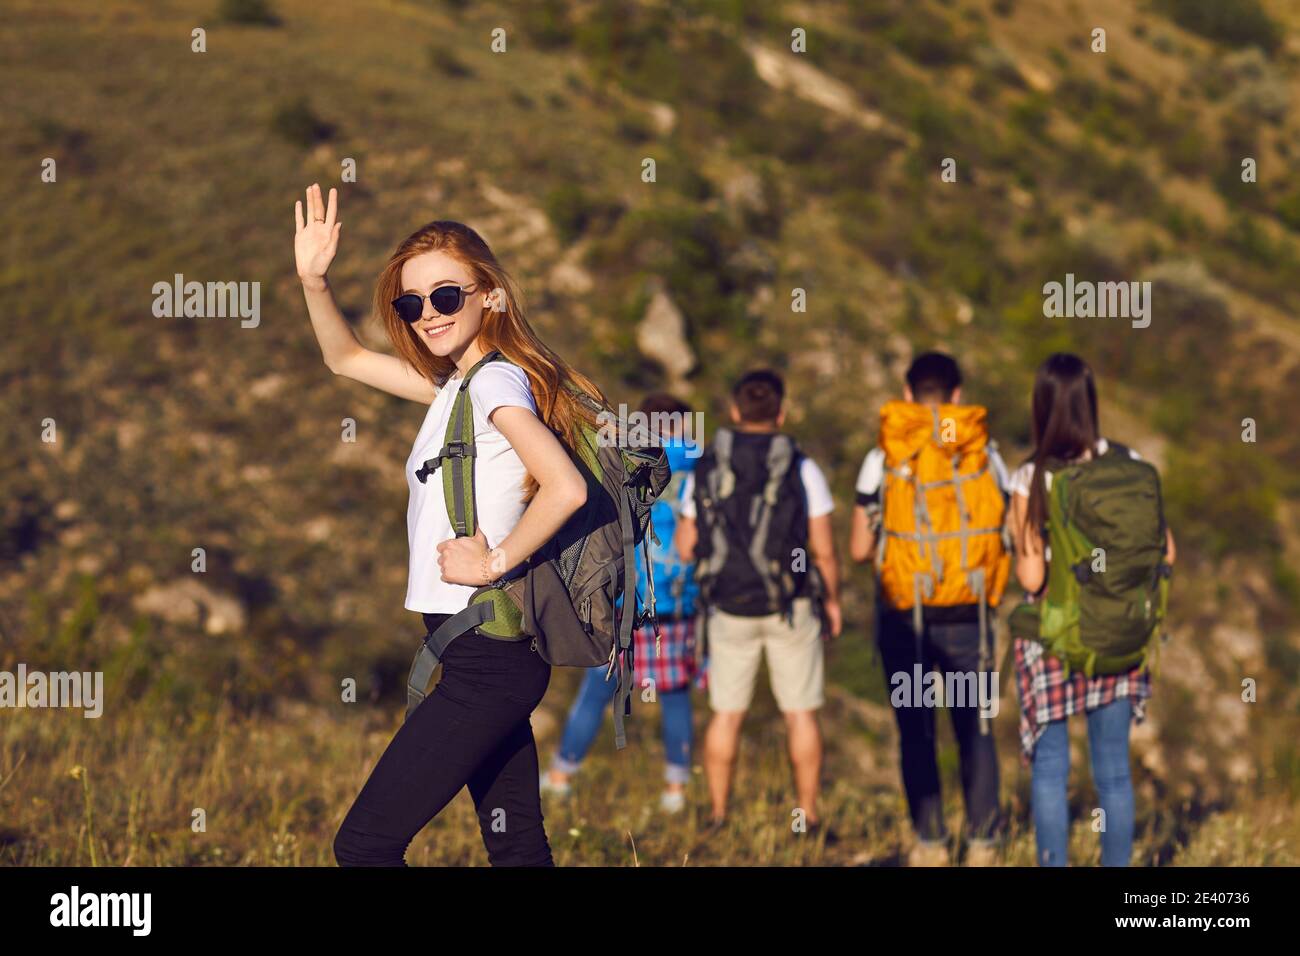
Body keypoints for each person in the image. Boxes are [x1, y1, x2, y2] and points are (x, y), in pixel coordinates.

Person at [295, 183, 601, 866]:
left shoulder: (494, 383)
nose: (426, 314)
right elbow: (342, 359)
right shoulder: (456, 385)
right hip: (483, 651)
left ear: (488, 294)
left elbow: (566, 487)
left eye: (445, 296)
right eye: (411, 303)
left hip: (488, 660)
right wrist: (315, 282)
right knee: (516, 846)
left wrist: (494, 563)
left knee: (365, 845)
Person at [1006, 352, 1175, 867]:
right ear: (1091, 403)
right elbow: (1167, 553)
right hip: (1119, 634)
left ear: (1041, 407)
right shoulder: (1131, 464)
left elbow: (1032, 577)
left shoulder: (1031, 478)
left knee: (1052, 770)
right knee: (1115, 774)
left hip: (1057, 638)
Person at [849, 351, 1010, 867]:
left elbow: (857, 547)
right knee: (974, 728)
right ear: (958, 395)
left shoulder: (885, 456)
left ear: (907, 390)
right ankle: (984, 843)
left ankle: (931, 844)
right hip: (971, 614)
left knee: (916, 728)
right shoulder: (984, 452)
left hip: (908, 618)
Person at [675, 369, 843, 835]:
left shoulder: (707, 467)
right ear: (781, 413)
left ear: (733, 411)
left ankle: (717, 815)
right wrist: (832, 601)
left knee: (726, 715)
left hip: (728, 607)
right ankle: (808, 815)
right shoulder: (801, 467)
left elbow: (686, 548)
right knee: (800, 713)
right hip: (791, 605)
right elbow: (824, 548)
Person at [541, 394, 700, 813]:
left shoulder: (627, 461)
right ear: (681, 425)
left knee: (596, 690)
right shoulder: (700, 467)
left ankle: (560, 776)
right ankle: (676, 790)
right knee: (675, 695)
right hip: (676, 602)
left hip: (621, 600)